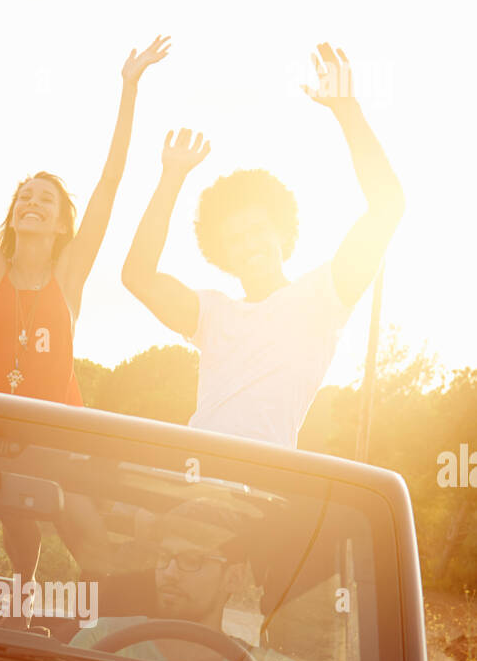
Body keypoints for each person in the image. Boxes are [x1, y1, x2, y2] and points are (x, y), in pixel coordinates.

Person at [0, 29, 170, 608]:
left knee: (27, 512)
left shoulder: (70, 277)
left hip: (50, 431)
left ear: (63, 223)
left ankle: (27, 589)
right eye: (23, 197)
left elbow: (109, 183)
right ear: (13, 217)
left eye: (46, 198)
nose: (31, 202)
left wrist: (129, 88)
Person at [121, 44, 405, 449]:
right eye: (234, 239)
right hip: (193, 471)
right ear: (223, 255)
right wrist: (171, 178)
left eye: (256, 230)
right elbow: (137, 277)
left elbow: (388, 205)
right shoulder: (212, 314)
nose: (248, 244)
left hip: (259, 491)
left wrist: (347, 109)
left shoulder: (322, 297)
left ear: (282, 234)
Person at [70, 507, 324, 661]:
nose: (168, 572)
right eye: (164, 557)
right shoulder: (100, 638)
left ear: (233, 578)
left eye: (192, 560)